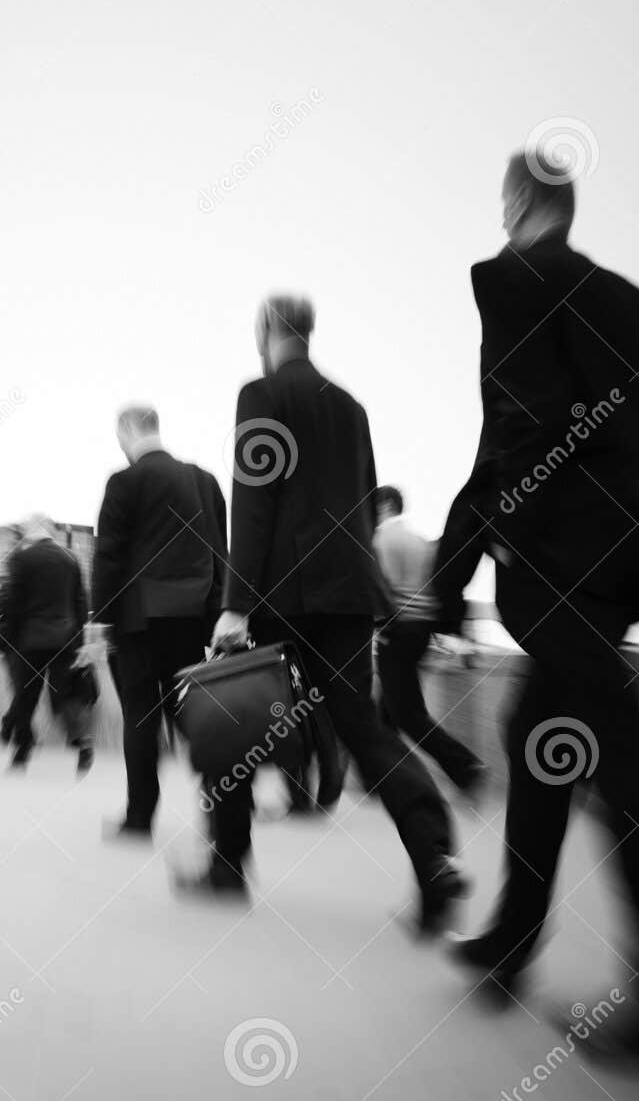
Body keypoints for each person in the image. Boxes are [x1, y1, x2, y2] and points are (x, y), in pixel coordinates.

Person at [432, 149, 639, 1065]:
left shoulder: (516, 280)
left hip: (560, 562)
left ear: (516, 202)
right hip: (626, 562)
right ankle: (512, 940)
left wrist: (455, 564)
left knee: (623, 766)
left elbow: (517, 427)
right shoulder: (633, 302)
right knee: (540, 740)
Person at [194, 295, 464, 927]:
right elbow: (365, 501)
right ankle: (434, 861)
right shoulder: (352, 407)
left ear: (265, 330)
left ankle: (226, 869)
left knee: (231, 722)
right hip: (347, 595)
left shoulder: (260, 395)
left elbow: (253, 500)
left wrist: (236, 606)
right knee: (364, 729)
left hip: (281, 595)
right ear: (308, 333)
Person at [88, 405, 226, 838]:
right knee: (193, 715)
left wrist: (98, 619)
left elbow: (108, 555)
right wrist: (219, 614)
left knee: (141, 717)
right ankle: (228, 802)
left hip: (140, 620)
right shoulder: (204, 480)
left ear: (126, 431)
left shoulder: (124, 481)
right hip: (192, 617)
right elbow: (221, 552)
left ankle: (139, 817)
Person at [372, 485, 485, 791]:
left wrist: (378, 627)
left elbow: (382, 592)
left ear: (383, 505)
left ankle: (465, 767)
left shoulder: (382, 539)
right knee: (389, 708)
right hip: (421, 631)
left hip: (398, 631)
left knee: (408, 714)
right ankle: (378, 778)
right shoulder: (418, 541)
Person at [0, 514, 94, 774]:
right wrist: (78, 638)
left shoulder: (22, 558)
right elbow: (81, 602)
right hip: (64, 640)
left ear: (30, 533)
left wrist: (5, 638)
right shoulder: (70, 558)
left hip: (29, 640)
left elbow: (12, 602)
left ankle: (22, 752)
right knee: (63, 695)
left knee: (25, 696)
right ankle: (82, 743)